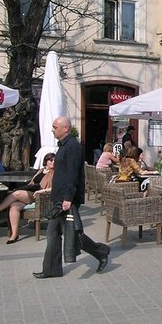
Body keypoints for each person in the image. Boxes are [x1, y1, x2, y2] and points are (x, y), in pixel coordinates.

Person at [34, 116, 110, 278]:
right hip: (60, 196)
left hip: (66, 198)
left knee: (70, 233)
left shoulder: (73, 147)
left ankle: (101, 252)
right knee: (56, 234)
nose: (52, 129)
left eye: (55, 127)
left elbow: (73, 175)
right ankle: (52, 269)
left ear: (66, 128)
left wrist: (68, 198)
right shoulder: (64, 146)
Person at [0, 153, 54, 243]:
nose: (53, 162)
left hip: (41, 196)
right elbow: (32, 183)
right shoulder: (40, 171)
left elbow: (55, 188)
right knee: (14, 206)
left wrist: (42, 191)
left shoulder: (55, 172)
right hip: (31, 192)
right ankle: (14, 235)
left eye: (54, 160)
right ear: (46, 161)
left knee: (16, 193)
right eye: (51, 160)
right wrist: (29, 187)